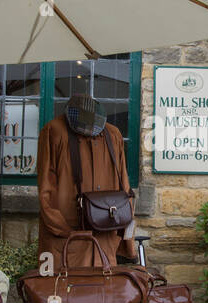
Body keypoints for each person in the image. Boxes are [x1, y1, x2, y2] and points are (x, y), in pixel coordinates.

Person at [36, 92, 136, 268]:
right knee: (63, 290)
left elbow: (124, 184)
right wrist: (62, 229)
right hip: (68, 236)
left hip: (105, 235)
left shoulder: (113, 135)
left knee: (104, 290)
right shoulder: (54, 131)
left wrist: (127, 237)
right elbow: (46, 188)